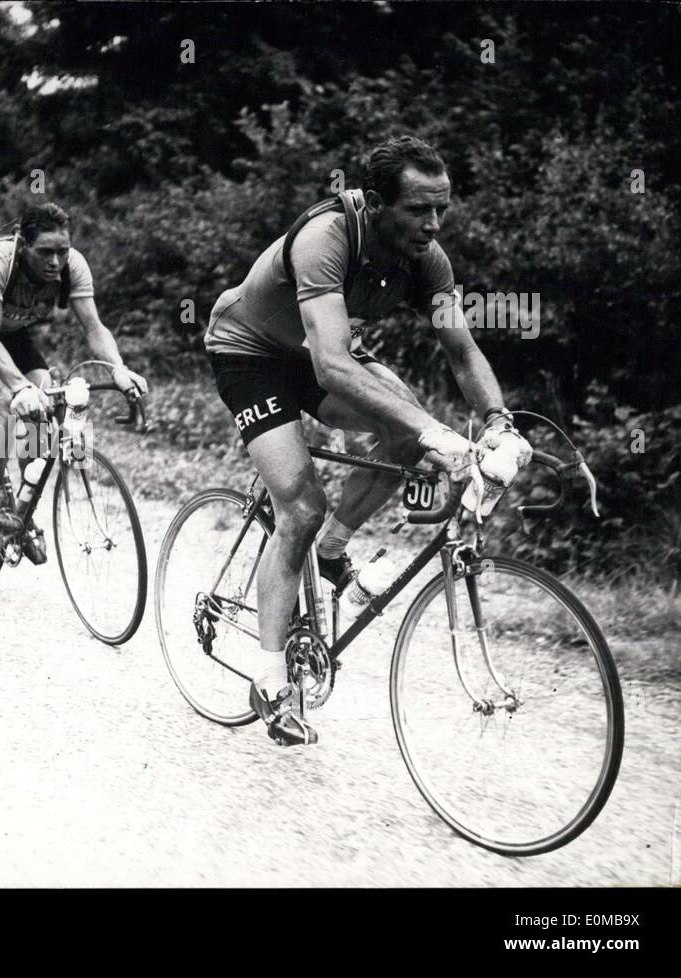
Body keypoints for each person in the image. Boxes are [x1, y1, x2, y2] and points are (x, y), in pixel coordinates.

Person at [203, 135, 532, 746]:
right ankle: (270, 677)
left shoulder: (426, 259)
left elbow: (460, 349)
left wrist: (497, 423)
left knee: (403, 428)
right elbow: (331, 367)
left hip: (317, 354)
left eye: (442, 210)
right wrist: (435, 430)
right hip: (252, 354)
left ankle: (334, 550)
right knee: (300, 508)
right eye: (419, 210)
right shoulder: (326, 238)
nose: (433, 226)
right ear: (378, 202)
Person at [0, 202, 147, 557]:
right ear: (22, 244)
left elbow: (94, 327)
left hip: (11, 334)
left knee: (48, 403)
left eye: (63, 251)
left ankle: (23, 511)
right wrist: (19, 387)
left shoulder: (73, 266)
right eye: (45, 252)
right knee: (5, 400)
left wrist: (118, 368)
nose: (56, 262)